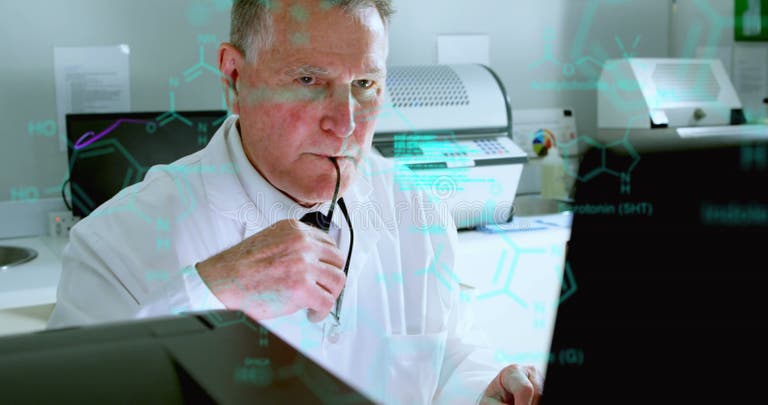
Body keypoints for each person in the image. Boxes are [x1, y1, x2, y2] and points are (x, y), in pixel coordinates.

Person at [48, 0, 543, 403]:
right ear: (234, 77)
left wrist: (483, 390)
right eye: (309, 81)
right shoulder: (114, 244)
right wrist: (210, 291)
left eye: (364, 85)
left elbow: (448, 357)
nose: (346, 124)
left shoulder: (416, 209)